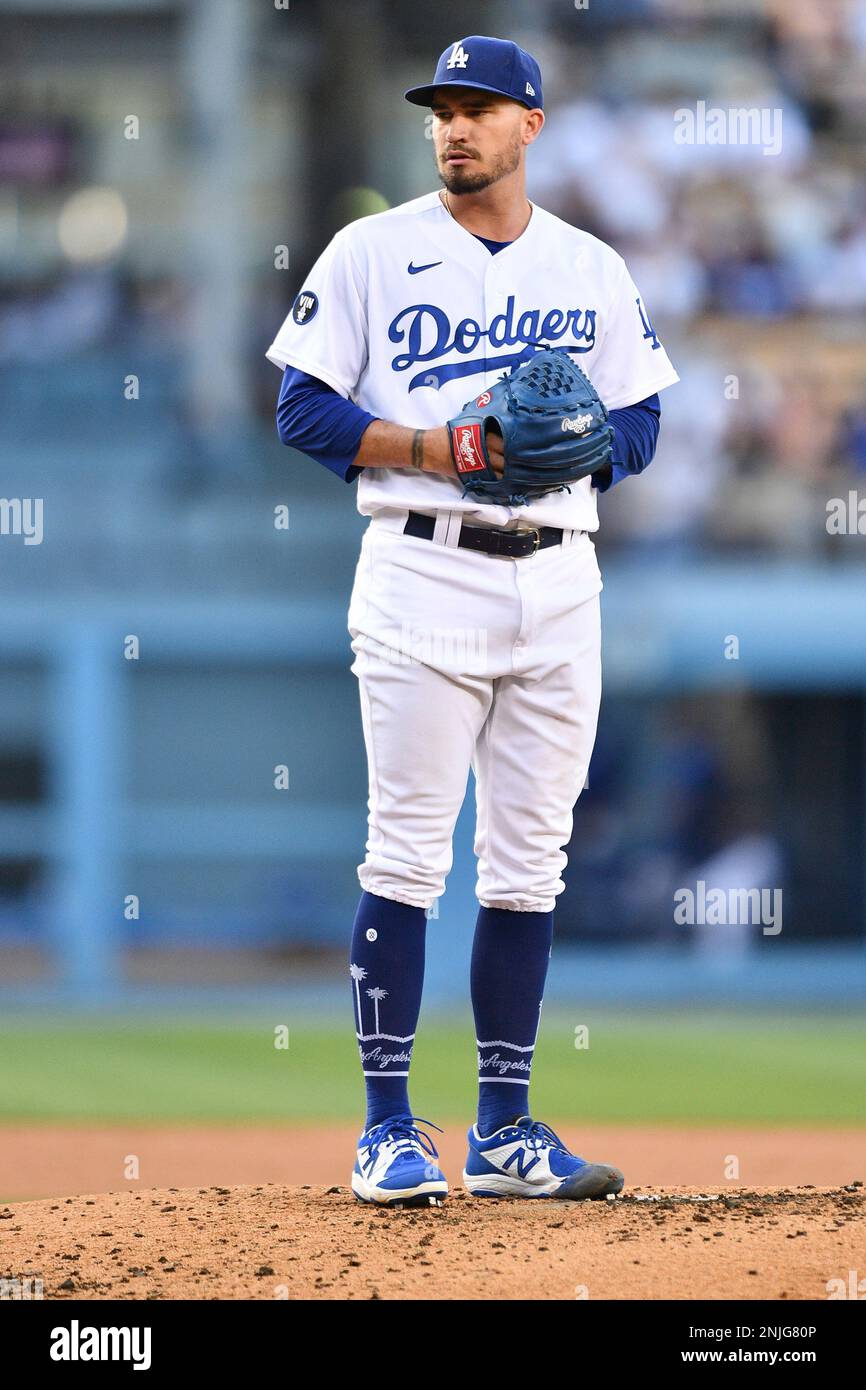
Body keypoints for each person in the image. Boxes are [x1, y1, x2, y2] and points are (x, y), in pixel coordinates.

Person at [267, 35, 679, 1206]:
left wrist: (584, 445)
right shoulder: (372, 250)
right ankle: (386, 1129)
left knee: (527, 868)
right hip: (418, 569)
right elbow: (299, 408)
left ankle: (503, 1131)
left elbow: (642, 426)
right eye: (441, 109)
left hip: (558, 579)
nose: (454, 126)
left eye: (478, 108)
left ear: (528, 125)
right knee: (404, 851)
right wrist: (434, 446)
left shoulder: (590, 265)